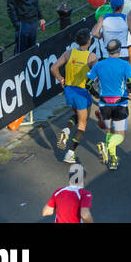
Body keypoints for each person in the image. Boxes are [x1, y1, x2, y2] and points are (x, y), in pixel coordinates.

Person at [88, 39, 131, 170]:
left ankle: (113, 161)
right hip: (120, 103)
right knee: (120, 135)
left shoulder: (98, 65)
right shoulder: (125, 65)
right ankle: (106, 147)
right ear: (119, 50)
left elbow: (87, 84)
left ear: (107, 50)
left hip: (104, 104)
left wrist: (96, 95)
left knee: (109, 131)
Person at [53, 28, 95, 164]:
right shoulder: (92, 57)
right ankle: (70, 153)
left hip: (69, 91)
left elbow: (53, 68)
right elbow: (98, 75)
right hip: (82, 92)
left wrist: (61, 79)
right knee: (83, 124)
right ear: (89, 41)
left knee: (78, 114)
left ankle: (66, 130)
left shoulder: (68, 53)